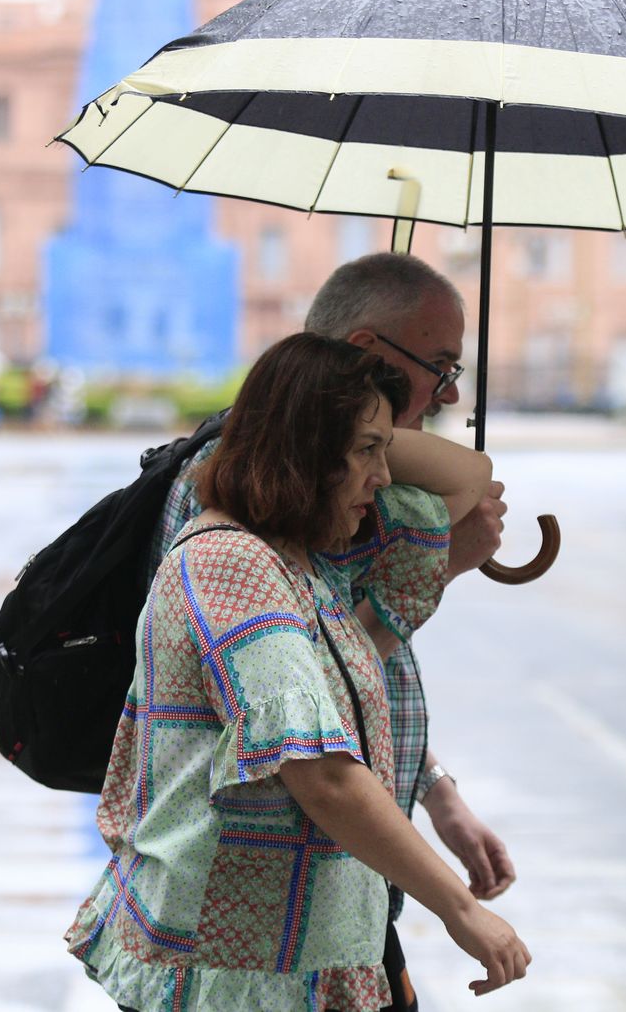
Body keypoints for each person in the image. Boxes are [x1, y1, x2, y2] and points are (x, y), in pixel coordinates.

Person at [65, 334, 530, 1011]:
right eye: (367, 449)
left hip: (300, 963)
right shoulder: (231, 566)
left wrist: (358, 425)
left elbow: (469, 476)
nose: (383, 475)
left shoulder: (302, 567)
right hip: (234, 973)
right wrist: (460, 910)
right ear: (305, 451)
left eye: (383, 447)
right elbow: (324, 775)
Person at [149, 254, 515, 937]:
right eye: (440, 366)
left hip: (339, 890)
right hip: (264, 910)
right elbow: (307, 720)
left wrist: (434, 791)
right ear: (365, 353)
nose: (448, 394)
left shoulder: (330, 497)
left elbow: (353, 685)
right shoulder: (233, 504)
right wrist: (438, 569)